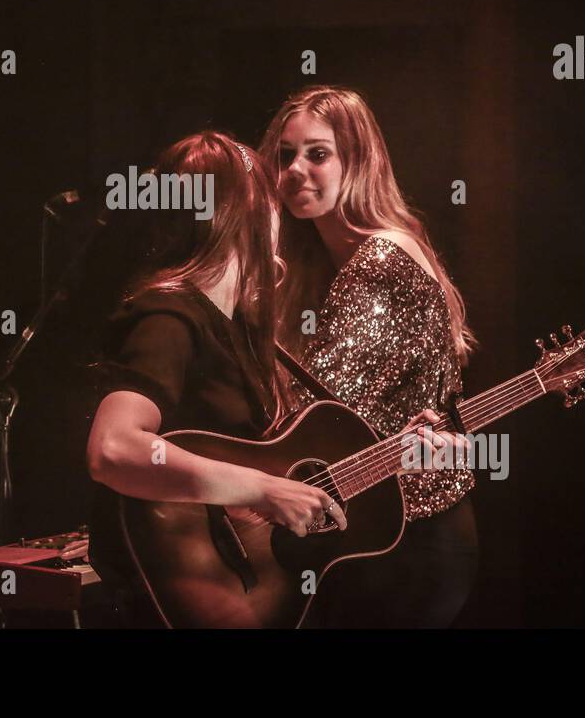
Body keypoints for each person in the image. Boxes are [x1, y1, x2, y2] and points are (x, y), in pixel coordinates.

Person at [84, 131, 351, 628]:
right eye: (269, 201)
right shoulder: (170, 315)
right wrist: (261, 490)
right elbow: (113, 449)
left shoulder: (235, 329)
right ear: (244, 210)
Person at [260, 85, 480, 628]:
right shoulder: (322, 263)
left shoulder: (381, 257)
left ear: (358, 160)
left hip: (409, 540)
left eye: (318, 153)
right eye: (284, 156)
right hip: (372, 534)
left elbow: (318, 411)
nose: (294, 170)